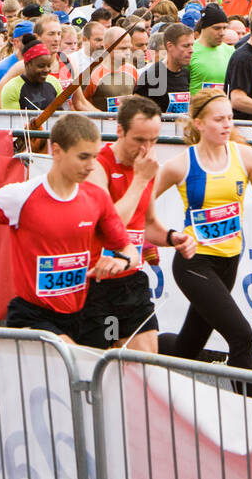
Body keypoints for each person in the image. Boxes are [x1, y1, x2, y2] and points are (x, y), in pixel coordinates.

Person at [0, 113, 140, 340]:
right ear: (56, 151)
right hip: (33, 315)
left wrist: (120, 261)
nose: (91, 166)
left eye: (94, 157)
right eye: (83, 157)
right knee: (68, 358)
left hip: (84, 312)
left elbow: (129, 250)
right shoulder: (22, 195)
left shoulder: (96, 198)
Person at [154, 90, 252, 380]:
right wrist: (161, 236)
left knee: (187, 349)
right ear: (199, 124)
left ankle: (145, 348)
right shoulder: (179, 165)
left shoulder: (245, 156)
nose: (227, 125)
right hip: (194, 264)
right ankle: (249, 414)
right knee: (241, 335)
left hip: (229, 261)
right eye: (219, 119)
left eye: (230, 119)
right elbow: (141, 204)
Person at [80, 96, 197, 352]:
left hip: (130, 279)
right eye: (139, 140)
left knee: (146, 365)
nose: (146, 149)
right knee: (101, 367)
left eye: (153, 140)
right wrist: (140, 180)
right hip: (95, 282)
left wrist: (172, 237)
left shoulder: (146, 168)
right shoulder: (98, 166)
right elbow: (107, 225)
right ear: (120, 131)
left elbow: (148, 224)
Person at [134, 21, 193, 116]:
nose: (191, 50)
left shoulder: (185, 73)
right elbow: (134, 111)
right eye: (186, 46)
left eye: (192, 45)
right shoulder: (152, 75)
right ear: (170, 46)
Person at [0, 36, 62, 111]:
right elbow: (12, 121)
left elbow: (62, 116)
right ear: (27, 64)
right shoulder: (12, 88)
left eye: (49, 65)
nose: (46, 70)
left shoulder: (54, 83)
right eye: (41, 66)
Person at [188, 3, 234, 94]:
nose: (222, 33)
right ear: (204, 28)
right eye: (217, 28)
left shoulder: (230, 51)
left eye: (224, 28)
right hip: (197, 107)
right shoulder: (190, 51)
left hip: (224, 106)